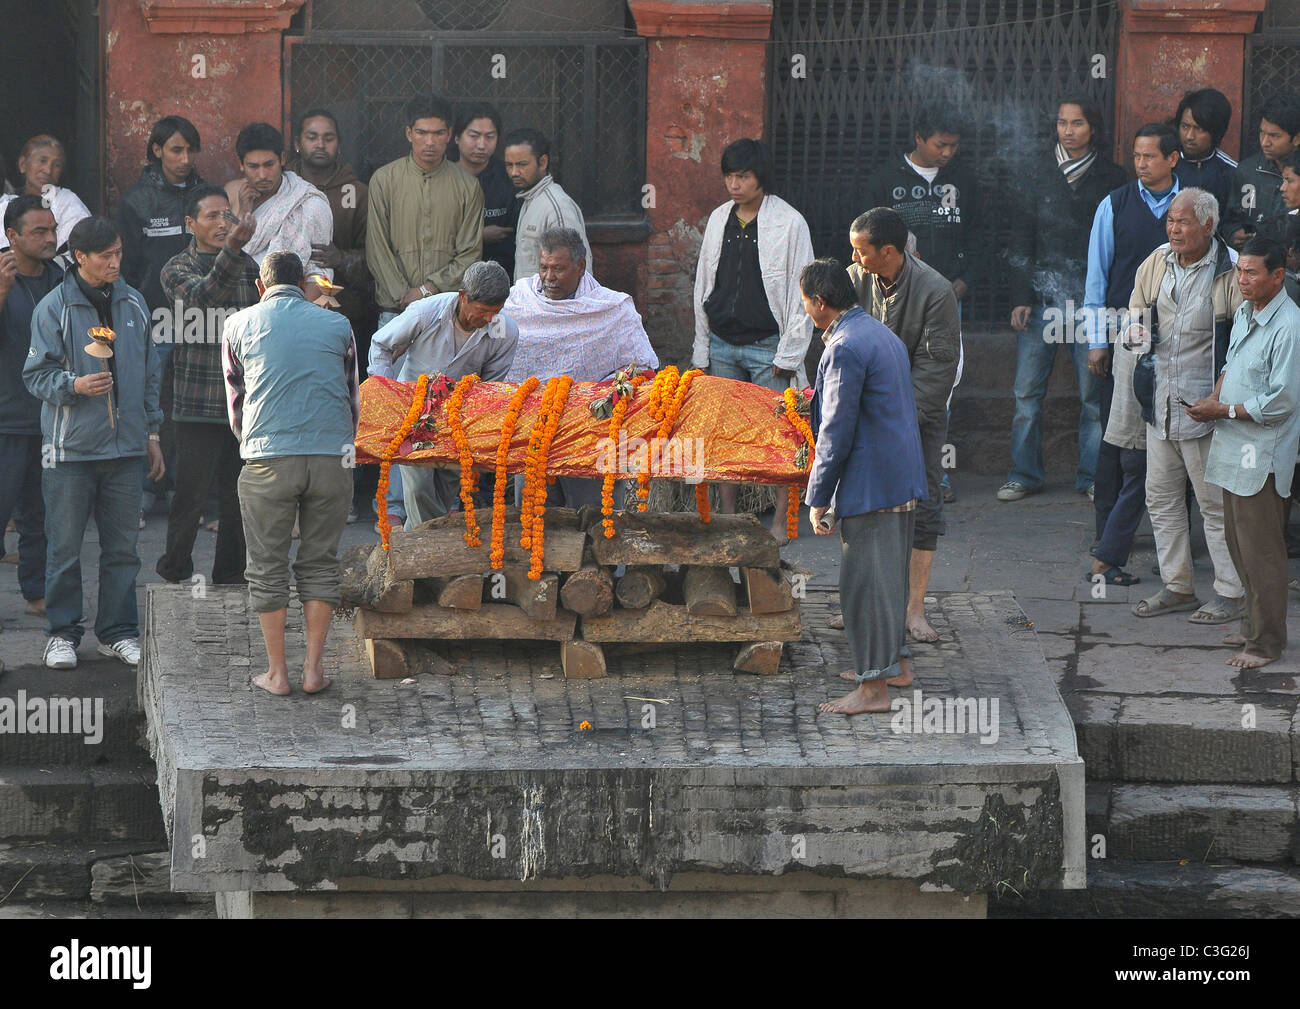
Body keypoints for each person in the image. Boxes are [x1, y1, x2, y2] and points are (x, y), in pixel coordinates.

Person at [23, 217, 164, 669]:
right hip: (69, 451)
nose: (115, 263)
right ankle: (62, 634)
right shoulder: (54, 307)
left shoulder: (135, 302)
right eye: (106, 256)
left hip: (125, 450)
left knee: (123, 550)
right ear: (80, 257)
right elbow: (35, 375)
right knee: (64, 548)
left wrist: (153, 432)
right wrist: (74, 385)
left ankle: (118, 632)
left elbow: (149, 373)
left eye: (119, 253)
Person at [222, 250, 359, 695]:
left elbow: (236, 400)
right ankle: (314, 671)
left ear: (260, 287)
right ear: (304, 284)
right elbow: (352, 396)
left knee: (266, 567)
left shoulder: (237, 324)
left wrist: (253, 444)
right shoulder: (337, 324)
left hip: (266, 457)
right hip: (331, 457)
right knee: (321, 563)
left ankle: (277, 674)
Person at [800, 258, 928, 715]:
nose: (805, 311)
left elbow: (836, 430)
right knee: (889, 581)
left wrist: (817, 496)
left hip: (873, 485)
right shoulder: (879, 333)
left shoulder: (845, 347)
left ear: (819, 302)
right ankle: (896, 667)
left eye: (805, 303)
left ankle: (873, 689)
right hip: (899, 478)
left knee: (864, 586)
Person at [1119, 189, 1244, 624]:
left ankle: (1230, 592)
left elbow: (1242, 346)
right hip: (1160, 404)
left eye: (1184, 222)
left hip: (1207, 411)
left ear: (1208, 226)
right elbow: (1136, 306)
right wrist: (1135, 330)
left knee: (1213, 505)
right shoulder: (1157, 261)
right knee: (1162, 499)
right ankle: (1177, 587)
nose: (1174, 229)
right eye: (1171, 220)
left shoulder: (1231, 271)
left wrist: (1218, 399)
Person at [1001, 97, 1127, 502]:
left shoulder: (1112, 176)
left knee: (1092, 397)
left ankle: (1092, 477)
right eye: (1062, 123)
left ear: (1093, 128)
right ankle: (1024, 474)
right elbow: (1020, 236)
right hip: (1041, 301)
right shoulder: (1037, 172)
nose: (1068, 130)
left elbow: (1116, 243)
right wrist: (1021, 295)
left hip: (1090, 303)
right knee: (1026, 395)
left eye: (1077, 123)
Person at [846, 207, 959, 643]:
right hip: (861, 416)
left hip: (918, 420)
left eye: (861, 251)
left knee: (923, 506)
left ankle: (914, 609)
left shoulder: (936, 291)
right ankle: (862, 603)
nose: (854, 259)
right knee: (861, 504)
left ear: (889, 251)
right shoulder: (854, 280)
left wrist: (889, 425)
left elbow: (934, 374)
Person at [692, 138, 814, 539]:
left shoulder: (790, 223)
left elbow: (804, 291)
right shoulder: (718, 219)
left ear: (761, 177)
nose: (734, 184)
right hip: (723, 342)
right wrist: (703, 348)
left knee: (780, 434)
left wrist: (790, 353)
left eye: (742, 176)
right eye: (729, 176)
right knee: (725, 433)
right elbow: (703, 286)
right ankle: (729, 518)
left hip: (769, 347)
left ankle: (781, 522)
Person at [1188, 238, 1300, 669]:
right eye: (1240, 271)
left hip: (1263, 457)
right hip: (1234, 448)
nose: (1243, 280)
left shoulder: (1289, 325)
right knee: (1239, 549)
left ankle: (1265, 644)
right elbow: (1230, 367)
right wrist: (1211, 401)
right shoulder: (1245, 313)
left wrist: (1225, 409)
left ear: (1278, 276)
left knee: (1263, 554)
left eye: (1252, 273)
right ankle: (1254, 627)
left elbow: (1282, 400)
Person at [865, 101, 979, 502]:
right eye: (940, 145)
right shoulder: (884, 181)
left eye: (953, 147)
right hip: (892, 299)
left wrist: (963, 283)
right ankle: (892, 473)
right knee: (889, 381)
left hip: (947, 299)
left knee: (938, 387)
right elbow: (865, 241)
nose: (947, 153)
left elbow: (981, 237)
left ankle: (934, 479)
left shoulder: (964, 181)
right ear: (918, 139)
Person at [1084, 122, 1182, 583]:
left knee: (1173, 447)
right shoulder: (1115, 204)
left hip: (1182, 342)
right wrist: (1097, 342)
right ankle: (1106, 539)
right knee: (1115, 445)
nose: (1141, 164)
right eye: (1136, 156)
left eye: (1150, 156)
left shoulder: (1193, 207)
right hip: (1124, 339)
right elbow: (1096, 278)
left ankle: (1176, 552)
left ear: (1172, 159)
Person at [504, 226, 658, 508]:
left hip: (591, 436)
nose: (549, 277)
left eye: (559, 269)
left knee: (595, 520)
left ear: (581, 267)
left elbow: (642, 365)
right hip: (533, 434)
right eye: (544, 267)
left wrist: (602, 395)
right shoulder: (518, 301)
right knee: (534, 520)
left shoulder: (612, 309)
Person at [155, 183, 260, 586]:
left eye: (227, 216)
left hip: (241, 400)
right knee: (190, 497)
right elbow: (202, 300)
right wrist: (232, 249)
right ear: (189, 224)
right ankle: (176, 567)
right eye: (211, 217)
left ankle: (230, 572)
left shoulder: (250, 267)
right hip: (195, 399)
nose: (221, 224)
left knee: (238, 498)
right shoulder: (176, 268)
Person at [369, 260, 518, 525]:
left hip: (459, 421)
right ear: (463, 296)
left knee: (446, 491)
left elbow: (491, 388)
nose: (488, 319)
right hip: (413, 415)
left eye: (496, 312)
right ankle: (423, 552)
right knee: (418, 490)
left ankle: (417, 552)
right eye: (482, 311)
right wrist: (386, 392)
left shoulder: (504, 331)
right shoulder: (425, 312)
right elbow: (380, 343)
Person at [367, 97, 483, 325]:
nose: (430, 141)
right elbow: (377, 247)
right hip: (394, 308)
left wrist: (427, 290)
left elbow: (470, 253)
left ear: (449, 135)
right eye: (422, 132)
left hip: (446, 307)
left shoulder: (468, 186)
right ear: (409, 133)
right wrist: (403, 294)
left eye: (438, 133)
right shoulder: (384, 180)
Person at [0, 196, 63, 616]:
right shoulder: (2, 278)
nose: (50, 238)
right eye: (39, 231)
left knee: (41, 517)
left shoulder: (62, 278)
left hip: (50, 419)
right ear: (12, 236)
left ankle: (38, 595)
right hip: (5, 421)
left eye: (52, 229)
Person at [286, 107, 372, 332]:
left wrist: (342, 259)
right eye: (312, 137)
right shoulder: (281, 186)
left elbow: (376, 255)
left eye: (328, 138)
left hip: (345, 313)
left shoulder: (359, 193)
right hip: (285, 309)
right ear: (297, 143)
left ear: (339, 144)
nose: (320, 145)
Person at [223, 122, 334, 282]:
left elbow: (319, 272)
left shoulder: (310, 204)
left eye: (269, 165)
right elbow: (221, 256)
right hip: (235, 300)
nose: (262, 175)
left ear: (282, 159)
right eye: (253, 166)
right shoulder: (232, 194)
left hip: (290, 301)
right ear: (241, 164)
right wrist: (243, 212)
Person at [118, 115, 206, 314]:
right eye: (176, 150)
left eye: (191, 150)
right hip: (154, 313)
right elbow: (126, 266)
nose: (185, 159)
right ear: (157, 150)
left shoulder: (207, 197)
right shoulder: (135, 202)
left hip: (203, 313)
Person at [503, 128, 591, 282]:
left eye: (522, 164)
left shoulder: (556, 207)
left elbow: (574, 273)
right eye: (509, 165)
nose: (514, 172)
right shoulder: (529, 199)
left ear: (543, 162)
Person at [1223, 93, 1300, 250]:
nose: (1265, 142)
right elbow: (1229, 220)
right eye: (1261, 133)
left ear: (1296, 139)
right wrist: (1233, 234)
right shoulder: (1248, 171)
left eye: (1274, 136)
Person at [0, 135, 92, 266]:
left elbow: (82, 253)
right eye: (42, 161)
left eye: (57, 165)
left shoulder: (68, 203)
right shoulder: (5, 203)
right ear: (22, 165)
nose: (48, 170)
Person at [453, 103, 519, 277]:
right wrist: (478, 237)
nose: (482, 145)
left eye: (490, 137)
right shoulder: (442, 178)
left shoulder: (508, 178)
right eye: (474, 136)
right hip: (449, 276)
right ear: (457, 137)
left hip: (500, 273)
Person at [1171, 88, 1236, 218]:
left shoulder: (1231, 172)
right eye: (1185, 126)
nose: (1189, 136)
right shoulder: (1166, 163)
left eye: (1199, 129)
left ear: (1215, 132)